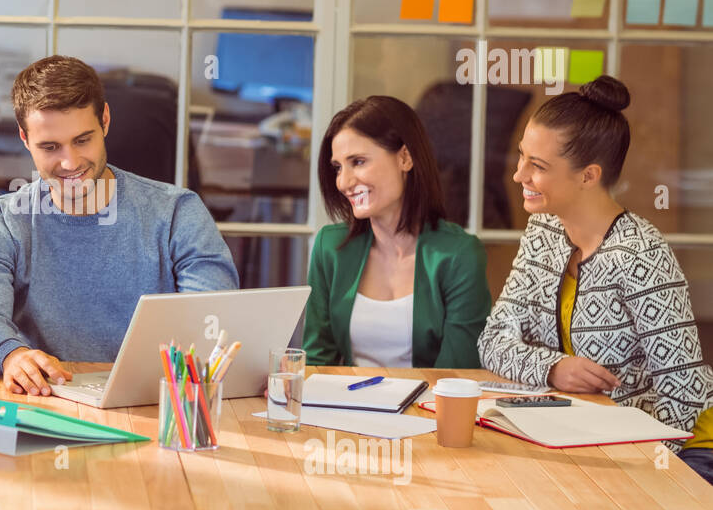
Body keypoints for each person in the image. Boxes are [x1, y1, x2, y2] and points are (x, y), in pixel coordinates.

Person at [0, 55, 239, 396]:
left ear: (104, 120)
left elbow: (210, 322)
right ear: (24, 139)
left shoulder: (177, 212)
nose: (70, 162)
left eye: (82, 140)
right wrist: (13, 355)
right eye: (50, 147)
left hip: (155, 401)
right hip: (45, 399)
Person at [478, 76, 712, 470]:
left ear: (589, 175)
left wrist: (645, 472)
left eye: (537, 166)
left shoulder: (641, 254)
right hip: (586, 438)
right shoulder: (544, 232)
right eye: (522, 156)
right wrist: (554, 369)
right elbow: (493, 340)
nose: (519, 175)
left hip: (679, 449)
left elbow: (683, 393)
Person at [304, 95, 491, 369]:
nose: (343, 182)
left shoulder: (458, 254)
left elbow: (458, 374)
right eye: (337, 167)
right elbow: (316, 363)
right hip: (346, 407)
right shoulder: (330, 247)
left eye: (358, 162)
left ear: (405, 158)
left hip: (427, 410)